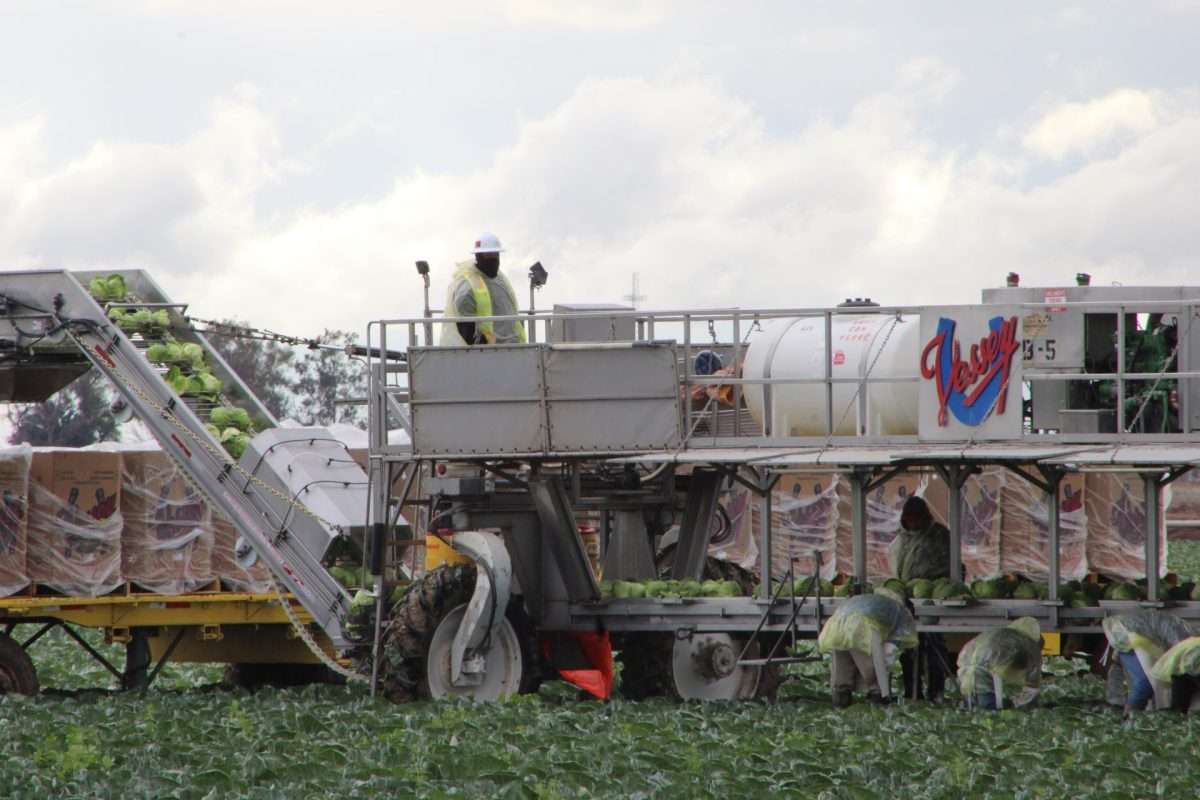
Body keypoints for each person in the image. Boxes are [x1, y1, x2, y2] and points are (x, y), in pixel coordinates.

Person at [889, 495, 951, 702]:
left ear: (925, 517)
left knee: (934, 645)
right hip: (906, 599)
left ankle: (936, 691)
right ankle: (912, 691)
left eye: (917, 519)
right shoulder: (902, 538)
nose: (913, 523)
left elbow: (950, 565)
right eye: (910, 519)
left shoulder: (939, 536)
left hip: (931, 599)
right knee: (909, 647)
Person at [818, 588, 918, 708]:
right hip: (861, 628)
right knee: (874, 672)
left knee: (842, 671)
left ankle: (840, 704)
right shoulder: (898, 611)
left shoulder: (874, 600)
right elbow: (888, 652)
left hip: (837, 625)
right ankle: (878, 704)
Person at [440, 232, 527, 346]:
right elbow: (467, 332)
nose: (493, 259)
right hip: (485, 354)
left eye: (495, 255)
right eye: (488, 255)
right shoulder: (467, 288)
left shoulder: (500, 280)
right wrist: (483, 347)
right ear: (478, 256)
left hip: (514, 347)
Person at [1102, 610, 1192, 717]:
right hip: (1130, 631)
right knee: (1144, 684)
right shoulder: (1188, 644)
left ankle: (1124, 709)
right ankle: (1127, 720)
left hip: (1142, 632)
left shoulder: (1189, 642)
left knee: (1162, 681)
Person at [957, 617, 1043, 710]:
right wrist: (1028, 702)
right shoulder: (1029, 645)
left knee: (972, 711)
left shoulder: (999, 634)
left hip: (965, 673)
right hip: (987, 676)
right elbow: (1032, 684)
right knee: (990, 716)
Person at [1150, 635, 1200, 714]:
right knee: (1179, 705)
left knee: (1178, 707)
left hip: (1180, 662)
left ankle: (1175, 717)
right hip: (1186, 661)